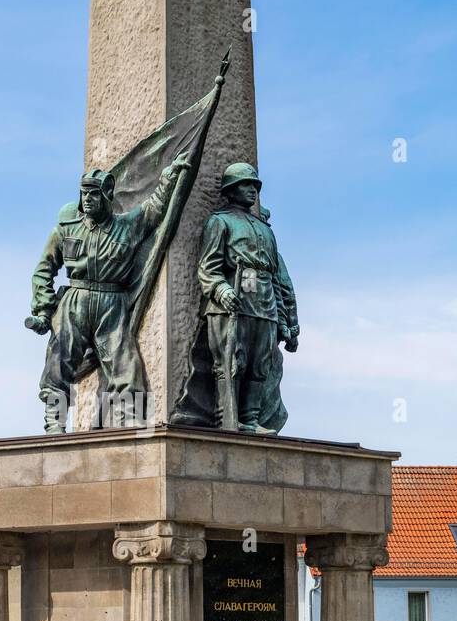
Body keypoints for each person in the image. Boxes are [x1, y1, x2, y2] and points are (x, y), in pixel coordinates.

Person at [27, 152, 193, 432]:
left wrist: (168, 177)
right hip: (74, 302)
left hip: (111, 303)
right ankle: (54, 424)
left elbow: (154, 209)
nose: (88, 199)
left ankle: (133, 424)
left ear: (106, 196)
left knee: (126, 366)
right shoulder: (66, 229)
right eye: (84, 194)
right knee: (58, 362)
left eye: (93, 195)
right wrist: (44, 307)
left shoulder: (126, 226)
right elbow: (43, 269)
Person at [193, 162, 299, 433]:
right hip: (232, 301)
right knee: (231, 363)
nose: (252, 190)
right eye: (245, 185)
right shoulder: (219, 222)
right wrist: (221, 290)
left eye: (254, 186)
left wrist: (286, 319)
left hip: (263, 301)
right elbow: (208, 267)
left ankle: (250, 419)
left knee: (260, 365)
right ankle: (225, 418)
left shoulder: (265, 229)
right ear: (231, 190)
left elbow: (277, 276)